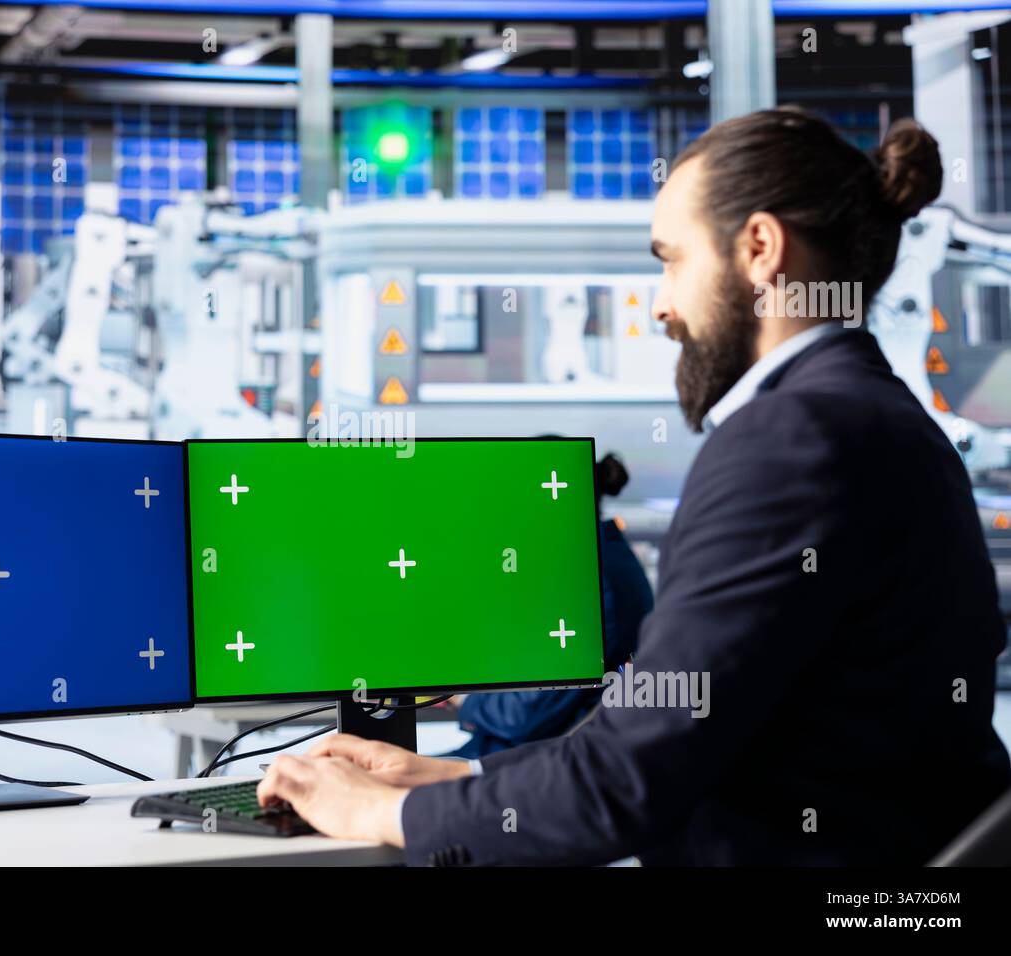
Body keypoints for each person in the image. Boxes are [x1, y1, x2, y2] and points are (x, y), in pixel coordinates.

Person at [256, 108, 1011, 865]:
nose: (659, 305)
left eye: (672, 261)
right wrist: (462, 775)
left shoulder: (788, 439)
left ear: (759, 249)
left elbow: (622, 787)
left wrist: (391, 813)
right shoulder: (885, 419)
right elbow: (688, 742)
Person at [449, 453, 653, 758]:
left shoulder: (584, 578)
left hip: (532, 762)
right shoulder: (606, 555)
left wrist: (462, 697)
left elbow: (524, 716)